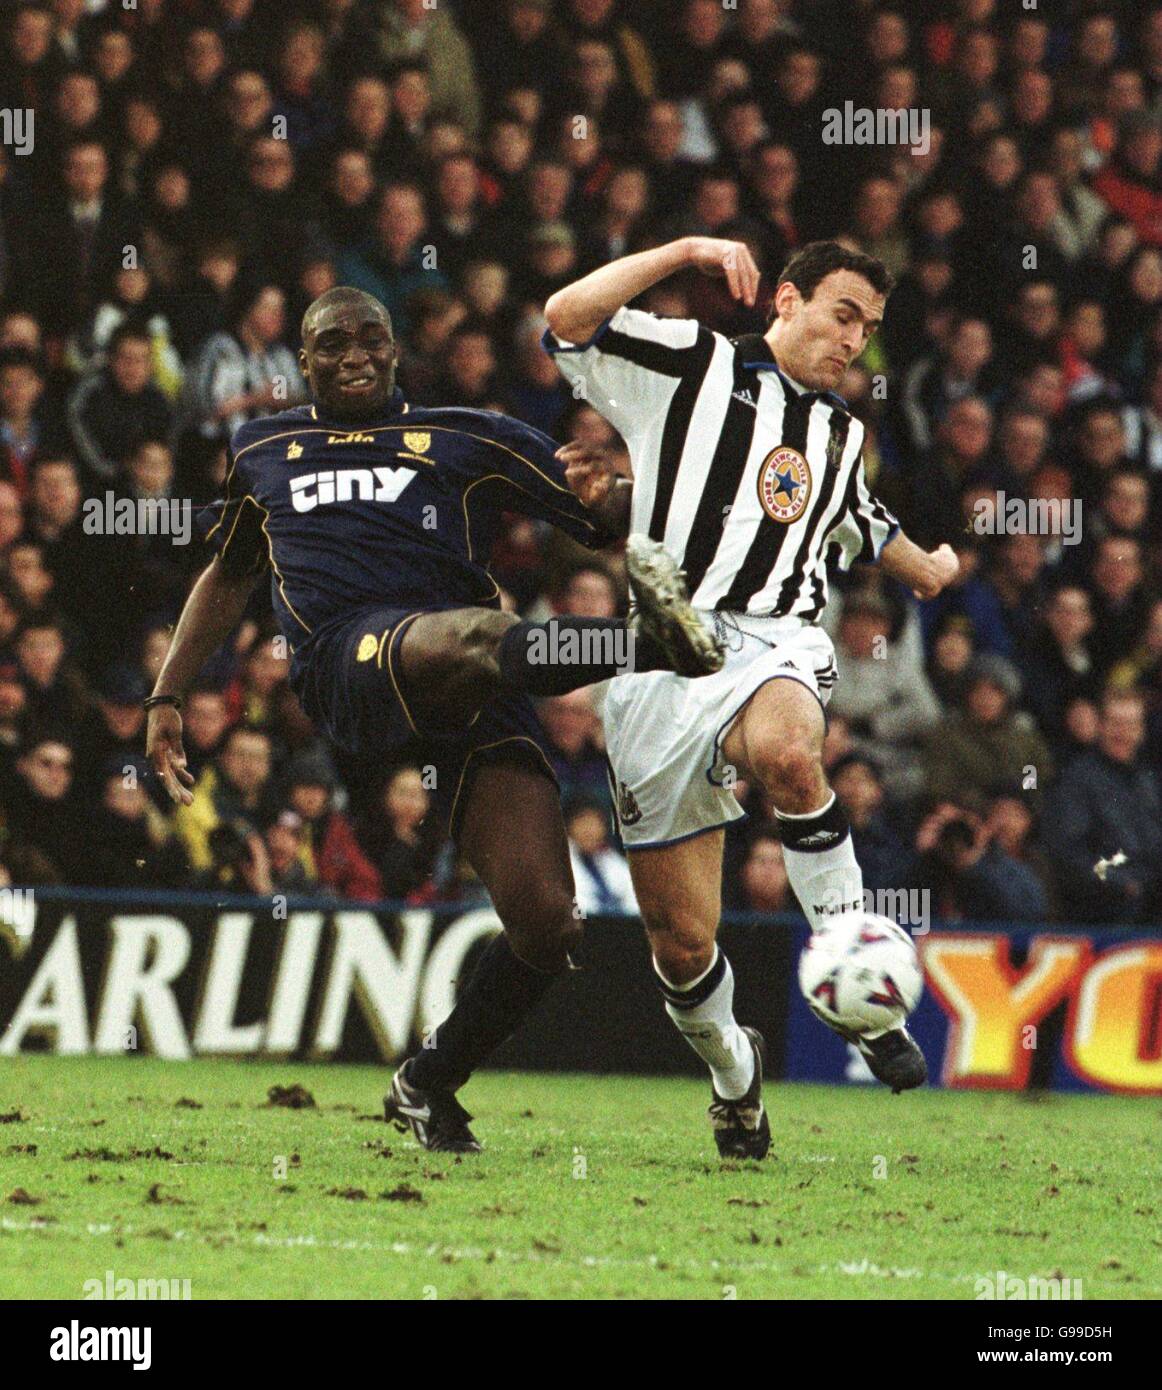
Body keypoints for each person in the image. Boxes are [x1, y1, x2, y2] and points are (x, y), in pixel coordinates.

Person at [146, 285, 721, 1153]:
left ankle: (425, 1082)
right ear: (302, 362)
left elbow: (594, 511)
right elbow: (229, 575)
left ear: (395, 348)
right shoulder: (263, 446)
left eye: (370, 339)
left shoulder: (467, 436)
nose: (352, 356)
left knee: (548, 922)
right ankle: (651, 646)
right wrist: (166, 696)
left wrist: (619, 491)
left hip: (474, 682)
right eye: (331, 344)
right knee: (480, 633)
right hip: (351, 663)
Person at [544, 236, 960, 1156]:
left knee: (787, 755)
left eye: (870, 329)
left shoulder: (844, 434)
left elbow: (857, 517)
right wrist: (688, 250)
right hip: (661, 661)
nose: (855, 342)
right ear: (786, 300)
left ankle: (859, 976)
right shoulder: (692, 364)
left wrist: (922, 565)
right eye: (842, 315)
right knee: (682, 947)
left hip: (775, 639)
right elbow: (566, 319)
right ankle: (736, 1076)